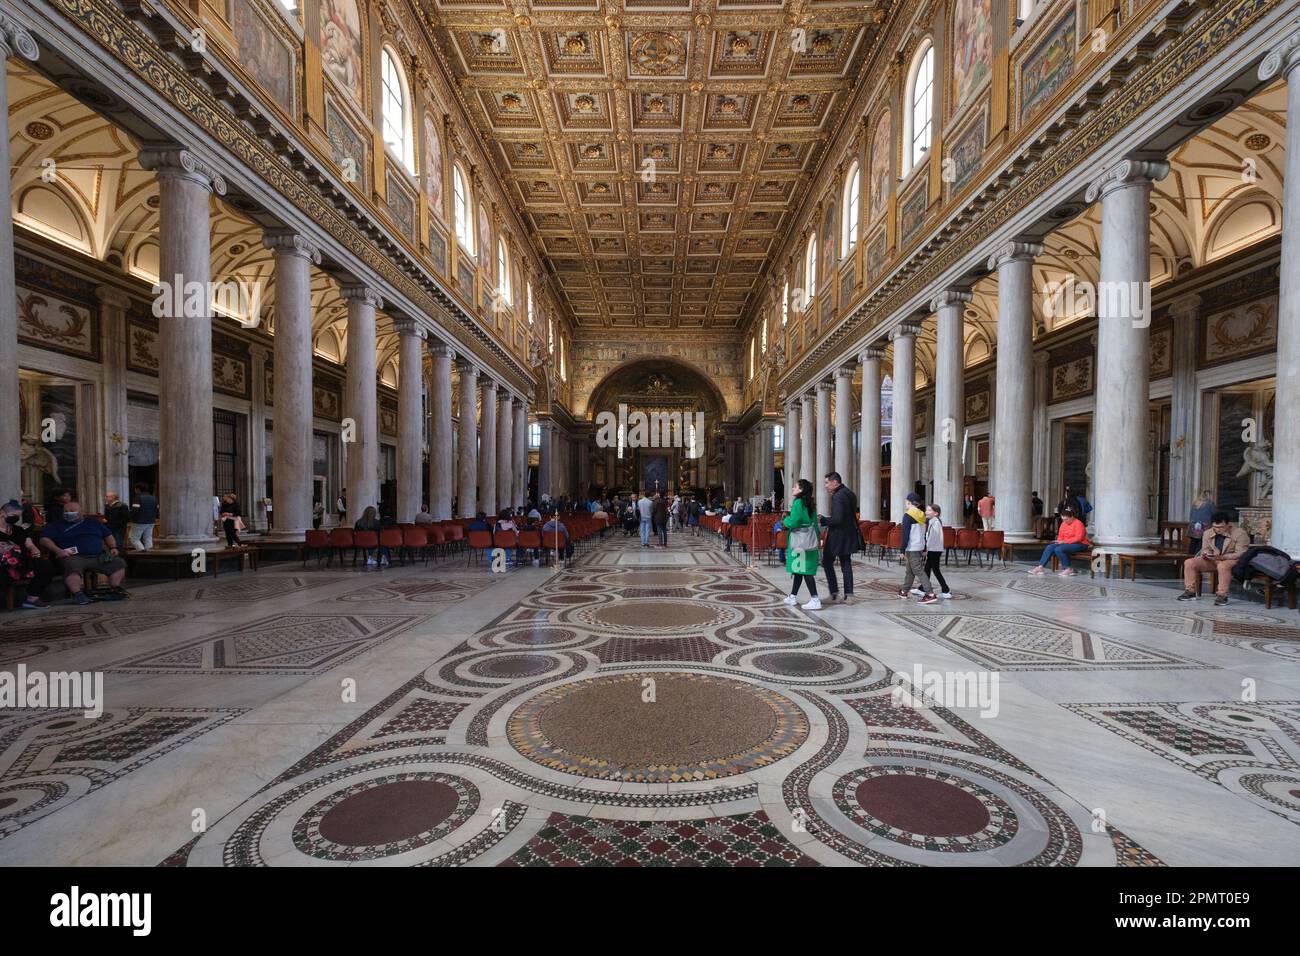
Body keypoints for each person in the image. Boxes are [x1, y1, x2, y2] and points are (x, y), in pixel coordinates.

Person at [39, 500, 128, 605]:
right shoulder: (56, 525)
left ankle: (115, 588)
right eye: (65, 511)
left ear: (81, 511)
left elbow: (108, 535)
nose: (68, 513)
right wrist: (58, 551)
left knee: (118, 563)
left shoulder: (93, 523)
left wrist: (113, 547)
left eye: (72, 510)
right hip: (74, 556)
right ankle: (78, 594)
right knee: (72, 566)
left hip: (97, 556)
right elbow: (44, 540)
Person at [1179, 511, 1249, 606]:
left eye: (1220, 527)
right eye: (1215, 527)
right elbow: (1206, 548)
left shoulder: (1240, 533)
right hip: (1213, 559)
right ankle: (1190, 591)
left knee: (1222, 566)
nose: (1217, 530)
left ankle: (1222, 595)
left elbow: (1241, 553)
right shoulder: (1208, 532)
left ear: (1228, 525)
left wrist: (1222, 557)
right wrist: (1206, 554)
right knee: (1189, 562)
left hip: (1232, 560)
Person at [1, 499, 53, 609]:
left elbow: (29, 544)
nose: (16, 518)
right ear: (2, 514)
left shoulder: (18, 529)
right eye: (14, 515)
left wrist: (34, 548)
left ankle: (32, 599)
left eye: (18, 516)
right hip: (3, 563)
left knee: (45, 565)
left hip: (22, 560)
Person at [820, 471, 860, 604]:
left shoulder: (838, 496)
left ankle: (834, 594)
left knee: (826, 561)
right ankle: (849, 595)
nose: (825, 486)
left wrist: (823, 520)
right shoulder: (850, 493)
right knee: (846, 563)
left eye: (827, 483)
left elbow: (837, 519)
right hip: (848, 534)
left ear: (835, 482)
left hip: (837, 536)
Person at [782, 478, 821, 610]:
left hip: (800, 540)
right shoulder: (810, 503)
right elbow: (814, 522)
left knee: (806, 572)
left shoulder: (798, 502)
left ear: (801, 489)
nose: (793, 488)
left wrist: (785, 521)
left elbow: (795, 520)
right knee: (799, 569)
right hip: (809, 540)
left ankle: (815, 599)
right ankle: (792, 596)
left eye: (795, 486)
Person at [1030, 507, 1089, 575]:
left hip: (1081, 544)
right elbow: (1060, 536)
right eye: (1063, 519)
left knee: (1059, 549)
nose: (1065, 521)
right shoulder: (1063, 524)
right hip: (1067, 543)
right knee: (1050, 547)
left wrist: (1064, 542)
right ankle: (1041, 567)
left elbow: (1079, 538)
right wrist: (1058, 541)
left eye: (1066, 519)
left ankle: (1068, 569)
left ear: (1072, 517)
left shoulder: (1078, 523)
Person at [898, 492, 934, 603]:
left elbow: (905, 534)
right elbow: (924, 533)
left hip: (911, 547)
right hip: (919, 546)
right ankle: (904, 591)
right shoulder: (922, 515)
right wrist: (924, 548)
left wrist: (902, 549)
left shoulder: (908, 515)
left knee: (918, 570)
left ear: (908, 502)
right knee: (910, 571)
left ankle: (930, 594)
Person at [923, 503, 953, 600]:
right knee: (927, 569)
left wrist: (926, 549)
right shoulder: (932, 521)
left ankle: (946, 590)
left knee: (935, 570)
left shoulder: (935, 522)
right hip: (933, 549)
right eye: (926, 510)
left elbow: (932, 537)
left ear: (936, 513)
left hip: (934, 549)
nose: (926, 512)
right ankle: (923, 588)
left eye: (929, 510)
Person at [129, 484, 158, 551]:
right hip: (151, 521)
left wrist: (130, 517)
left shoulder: (138, 497)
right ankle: (149, 552)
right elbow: (156, 510)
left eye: (135, 489)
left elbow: (135, 510)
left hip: (139, 521)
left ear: (138, 489)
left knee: (133, 538)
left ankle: (141, 552)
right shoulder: (154, 498)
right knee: (148, 537)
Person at [1188, 491, 1216, 556]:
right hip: (1204, 526)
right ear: (1209, 496)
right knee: (1202, 542)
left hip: (1194, 525)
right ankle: (1197, 557)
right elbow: (1215, 514)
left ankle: (1189, 556)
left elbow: (1191, 515)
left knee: (1193, 542)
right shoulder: (1210, 504)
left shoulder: (1195, 503)